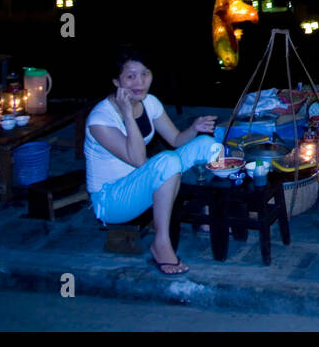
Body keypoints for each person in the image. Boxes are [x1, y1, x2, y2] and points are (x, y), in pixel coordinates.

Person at [85, 48, 219, 276]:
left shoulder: (150, 102)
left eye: (145, 74)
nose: (140, 82)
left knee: (208, 145)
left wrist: (194, 128)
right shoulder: (100, 119)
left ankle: (207, 214)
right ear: (116, 81)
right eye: (130, 76)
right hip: (112, 200)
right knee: (165, 162)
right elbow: (138, 160)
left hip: (141, 182)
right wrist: (128, 115)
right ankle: (161, 243)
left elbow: (176, 140)